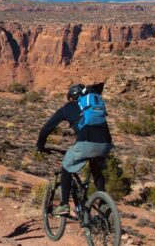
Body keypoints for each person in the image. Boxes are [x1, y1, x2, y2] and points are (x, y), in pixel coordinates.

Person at [37, 83, 113, 216]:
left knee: (66, 167)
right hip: (106, 143)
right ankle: (104, 202)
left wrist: (40, 145)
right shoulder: (92, 105)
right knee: (96, 169)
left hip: (86, 142)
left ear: (71, 98)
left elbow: (46, 129)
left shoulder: (67, 108)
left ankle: (64, 205)